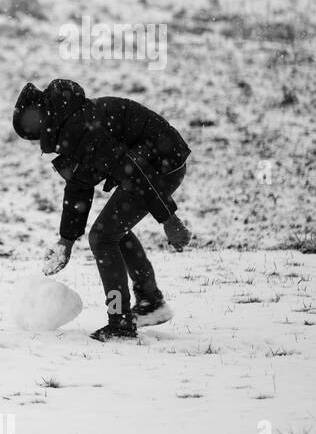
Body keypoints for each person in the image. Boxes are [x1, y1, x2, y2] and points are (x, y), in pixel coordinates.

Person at [13, 79, 192, 341]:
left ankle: (120, 322)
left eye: (33, 132)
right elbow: (79, 186)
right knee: (111, 231)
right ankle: (150, 301)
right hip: (153, 162)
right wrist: (66, 240)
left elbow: (134, 170)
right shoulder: (72, 122)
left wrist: (169, 218)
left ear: (40, 121)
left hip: (161, 166)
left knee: (103, 236)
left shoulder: (81, 130)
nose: (38, 141)